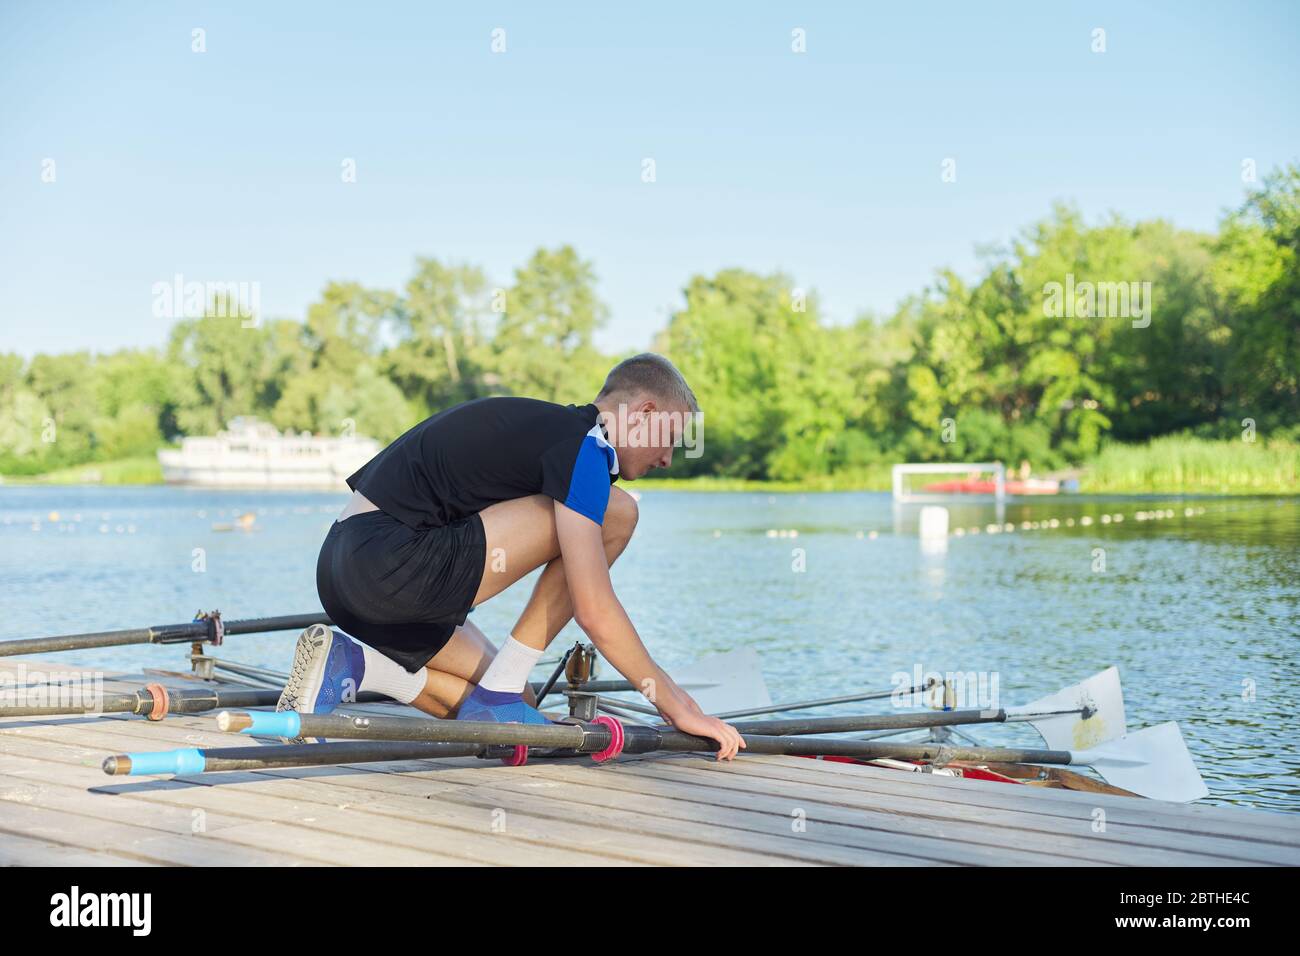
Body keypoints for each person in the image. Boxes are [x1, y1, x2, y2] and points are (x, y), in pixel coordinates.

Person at [276, 353, 744, 759]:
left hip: (344, 572)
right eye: (671, 438)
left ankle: (353, 664)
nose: (668, 459)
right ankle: (498, 690)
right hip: (388, 563)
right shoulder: (583, 446)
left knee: (511, 707)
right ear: (643, 413)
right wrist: (677, 704)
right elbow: (594, 610)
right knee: (618, 512)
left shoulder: (548, 432)